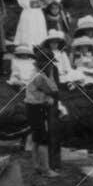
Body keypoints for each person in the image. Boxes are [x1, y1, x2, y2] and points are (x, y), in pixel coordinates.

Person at [24, 42, 61, 177]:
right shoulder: (40, 77)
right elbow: (54, 92)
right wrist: (51, 74)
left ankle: (36, 165)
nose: (52, 65)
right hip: (35, 108)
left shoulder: (37, 72)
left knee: (36, 138)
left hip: (33, 107)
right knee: (42, 139)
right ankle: (46, 170)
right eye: (50, 63)